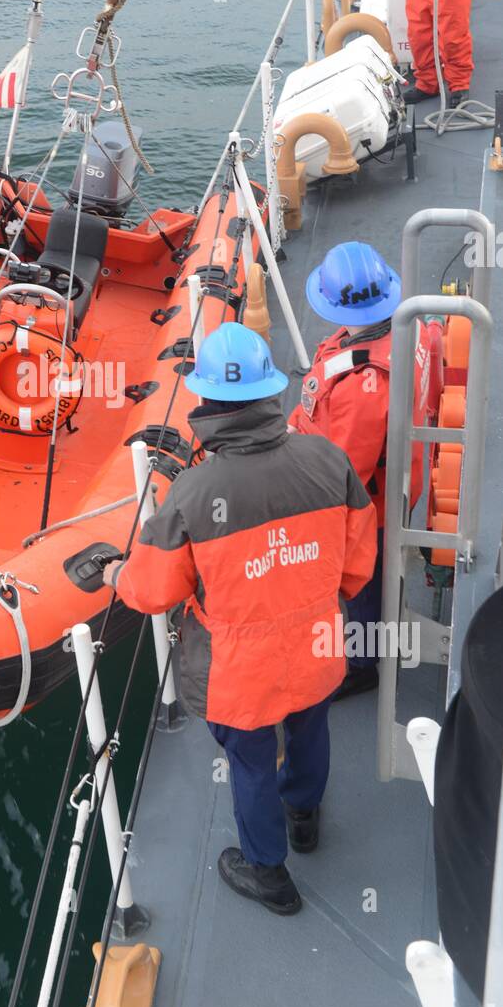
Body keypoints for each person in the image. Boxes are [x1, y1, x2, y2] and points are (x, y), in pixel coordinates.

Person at [102, 323, 377, 916]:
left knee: (250, 764)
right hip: (319, 645)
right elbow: (357, 565)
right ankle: (304, 819)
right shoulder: (328, 461)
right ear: (270, 394)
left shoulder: (192, 494)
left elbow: (151, 591)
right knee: (311, 728)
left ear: (207, 405)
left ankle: (270, 875)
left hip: (238, 669)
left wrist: (111, 575)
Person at [287, 242, 430, 699]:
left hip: (370, 503)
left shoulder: (361, 385)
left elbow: (344, 471)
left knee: (364, 580)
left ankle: (365, 662)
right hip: (402, 479)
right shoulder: (420, 328)